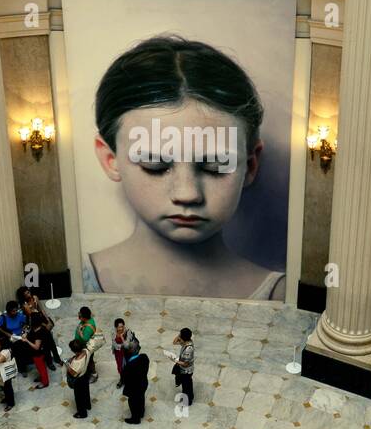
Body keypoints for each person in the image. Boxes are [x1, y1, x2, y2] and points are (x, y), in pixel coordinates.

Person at [84, 34, 286, 300]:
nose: (188, 194)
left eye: (215, 166)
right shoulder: (68, 281)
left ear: (250, 165)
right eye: (154, 165)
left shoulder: (281, 296)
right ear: (111, 160)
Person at [0, 300, 29, 376]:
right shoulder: (3, 317)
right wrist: (8, 334)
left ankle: (23, 368)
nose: (15, 312)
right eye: (13, 311)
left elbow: (25, 325)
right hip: (9, 338)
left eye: (16, 310)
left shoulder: (20, 315)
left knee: (22, 347)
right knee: (16, 348)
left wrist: (23, 332)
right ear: (9, 311)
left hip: (19, 336)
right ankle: (20, 368)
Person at [121, 338, 150, 424]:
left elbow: (125, 379)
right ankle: (141, 412)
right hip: (143, 383)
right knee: (141, 398)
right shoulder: (145, 357)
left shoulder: (129, 367)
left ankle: (135, 419)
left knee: (133, 402)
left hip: (134, 388)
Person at [167, 328, 196, 406]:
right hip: (184, 369)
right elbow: (174, 342)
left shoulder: (188, 349)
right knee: (186, 385)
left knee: (187, 386)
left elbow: (186, 364)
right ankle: (188, 396)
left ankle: (188, 400)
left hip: (187, 371)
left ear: (184, 338)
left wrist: (175, 360)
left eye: (180, 335)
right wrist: (180, 335)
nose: (179, 337)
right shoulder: (186, 342)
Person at [65, 338, 93, 419]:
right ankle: (88, 405)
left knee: (79, 397)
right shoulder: (86, 351)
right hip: (85, 375)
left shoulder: (76, 363)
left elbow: (73, 373)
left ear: (75, 351)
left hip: (79, 380)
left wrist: (67, 365)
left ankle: (82, 413)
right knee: (86, 391)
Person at [73, 306, 100, 383]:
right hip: (82, 346)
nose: (78, 315)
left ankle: (94, 374)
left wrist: (80, 333)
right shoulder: (87, 320)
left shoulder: (88, 328)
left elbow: (85, 339)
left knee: (90, 360)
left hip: (86, 347)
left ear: (85, 318)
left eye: (80, 315)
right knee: (86, 360)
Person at [110, 318, 139, 390]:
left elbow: (127, 345)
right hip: (118, 353)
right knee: (120, 366)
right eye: (119, 327)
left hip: (127, 353)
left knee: (127, 366)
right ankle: (121, 379)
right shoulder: (113, 332)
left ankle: (128, 381)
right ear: (116, 327)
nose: (121, 328)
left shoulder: (128, 332)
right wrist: (120, 346)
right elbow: (114, 344)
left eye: (122, 326)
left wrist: (122, 338)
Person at [0, 336, 16, 413]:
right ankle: (7, 398)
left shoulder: (5, 352)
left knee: (8, 388)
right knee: (3, 387)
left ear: (2, 344)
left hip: (5, 374)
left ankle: (11, 403)